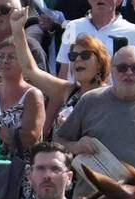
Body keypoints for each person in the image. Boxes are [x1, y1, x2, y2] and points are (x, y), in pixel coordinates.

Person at [56, 44, 135, 176]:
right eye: (122, 68)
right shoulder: (90, 100)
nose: (129, 73)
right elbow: (59, 141)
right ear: (112, 71)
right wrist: (76, 147)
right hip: (91, 188)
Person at [9, 5, 108, 133]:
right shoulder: (68, 91)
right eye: (73, 56)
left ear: (100, 62)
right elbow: (30, 69)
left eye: (85, 55)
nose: (78, 59)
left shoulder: (111, 96)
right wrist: (18, 30)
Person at [0, 37, 45, 199]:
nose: (5, 61)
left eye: (11, 57)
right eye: (1, 56)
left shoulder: (32, 95)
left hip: (18, 180)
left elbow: (30, 138)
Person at [55, 0, 135, 79]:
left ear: (119, 1)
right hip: (78, 92)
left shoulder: (134, 32)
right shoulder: (72, 27)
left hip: (115, 92)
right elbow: (64, 69)